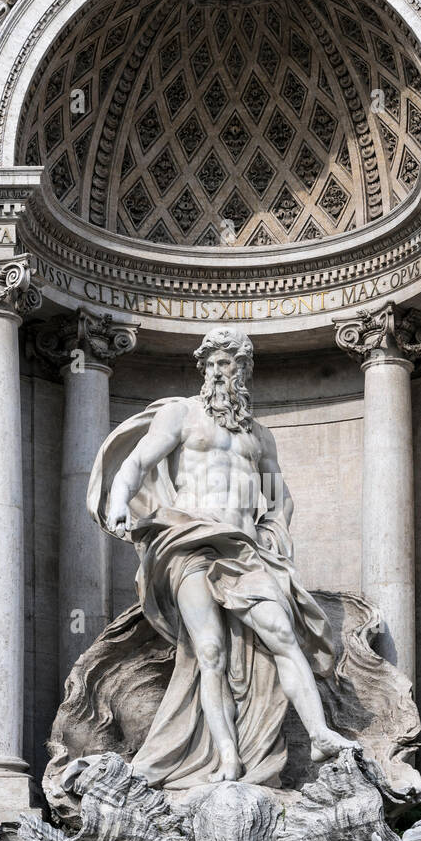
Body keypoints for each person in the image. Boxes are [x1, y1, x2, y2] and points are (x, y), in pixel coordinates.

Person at [87, 325, 358, 788]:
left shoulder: (259, 437)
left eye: (225, 363)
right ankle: (227, 759)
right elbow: (136, 463)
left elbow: (280, 496)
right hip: (188, 540)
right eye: (210, 363)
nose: (216, 371)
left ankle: (320, 734)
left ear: (243, 370)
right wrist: (116, 503)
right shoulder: (181, 414)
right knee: (208, 651)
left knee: (282, 635)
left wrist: (275, 529)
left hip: (244, 547)